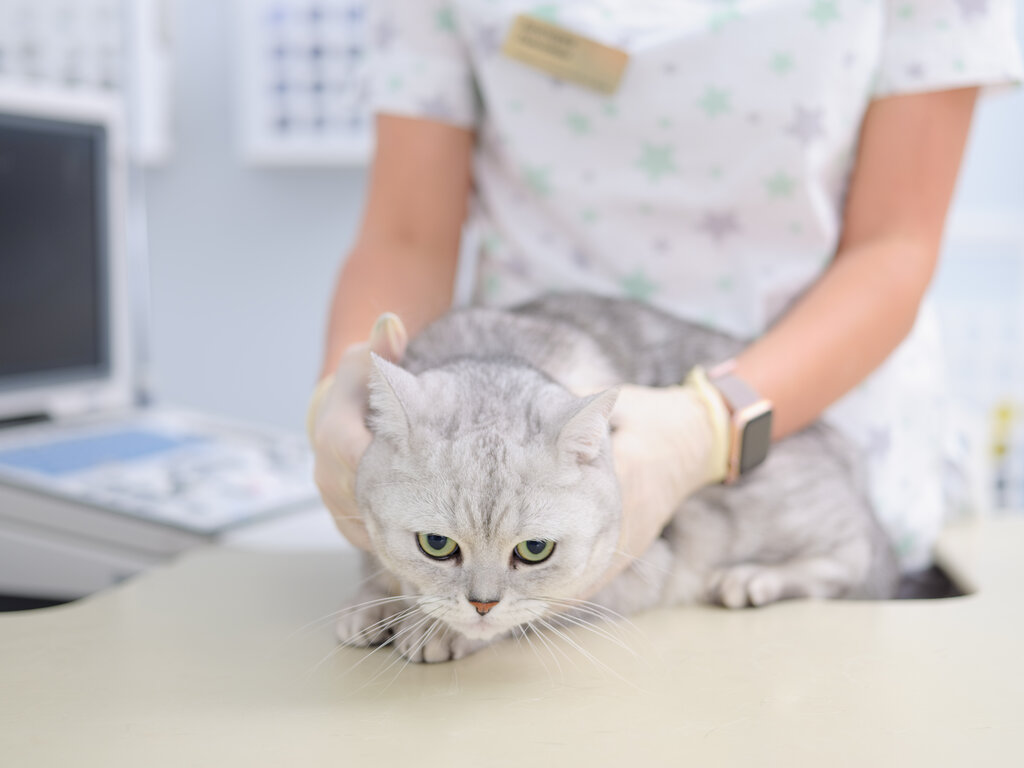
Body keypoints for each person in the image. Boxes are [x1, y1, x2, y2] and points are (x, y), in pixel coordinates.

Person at [308, 1, 1023, 587]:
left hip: (805, 457)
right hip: (513, 471)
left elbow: (892, 247)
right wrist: (348, 401)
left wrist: (706, 428)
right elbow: (407, 238)